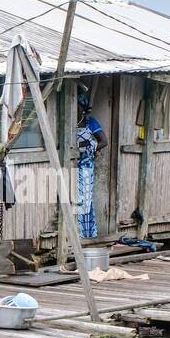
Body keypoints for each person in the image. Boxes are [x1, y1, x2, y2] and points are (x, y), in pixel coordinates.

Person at [76, 90, 107, 239]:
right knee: (73, 198)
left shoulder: (90, 122)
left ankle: (87, 233)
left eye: (77, 105)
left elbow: (104, 141)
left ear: (82, 107)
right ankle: (76, 232)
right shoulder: (69, 122)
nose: (76, 109)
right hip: (71, 166)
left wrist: (89, 145)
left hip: (86, 166)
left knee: (85, 198)